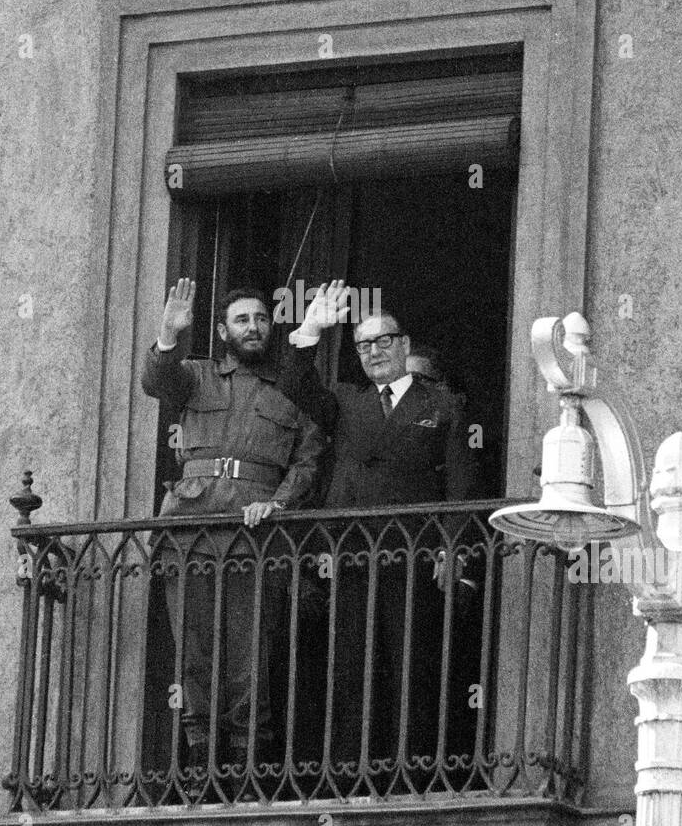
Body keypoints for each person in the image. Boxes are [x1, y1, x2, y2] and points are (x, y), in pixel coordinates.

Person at [282, 281, 481, 781]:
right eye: (363, 345)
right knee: (353, 670)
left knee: (412, 668)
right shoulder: (348, 402)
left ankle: (412, 775)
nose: (373, 352)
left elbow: (461, 485)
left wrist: (452, 549)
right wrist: (310, 330)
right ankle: (351, 777)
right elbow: (296, 387)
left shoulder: (442, 405)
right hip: (355, 557)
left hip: (414, 556)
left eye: (382, 342)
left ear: (404, 345)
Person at [141, 279, 324, 784]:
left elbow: (307, 462)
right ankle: (201, 756)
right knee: (193, 646)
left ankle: (248, 760)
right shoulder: (196, 375)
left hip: (254, 530)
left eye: (262, 319)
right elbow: (155, 382)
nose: (253, 327)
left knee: (250, 651)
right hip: (191, 527)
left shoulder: (291, 387)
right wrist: (166, 335)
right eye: (242, 320)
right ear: (223, 330)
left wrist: (278, 502)